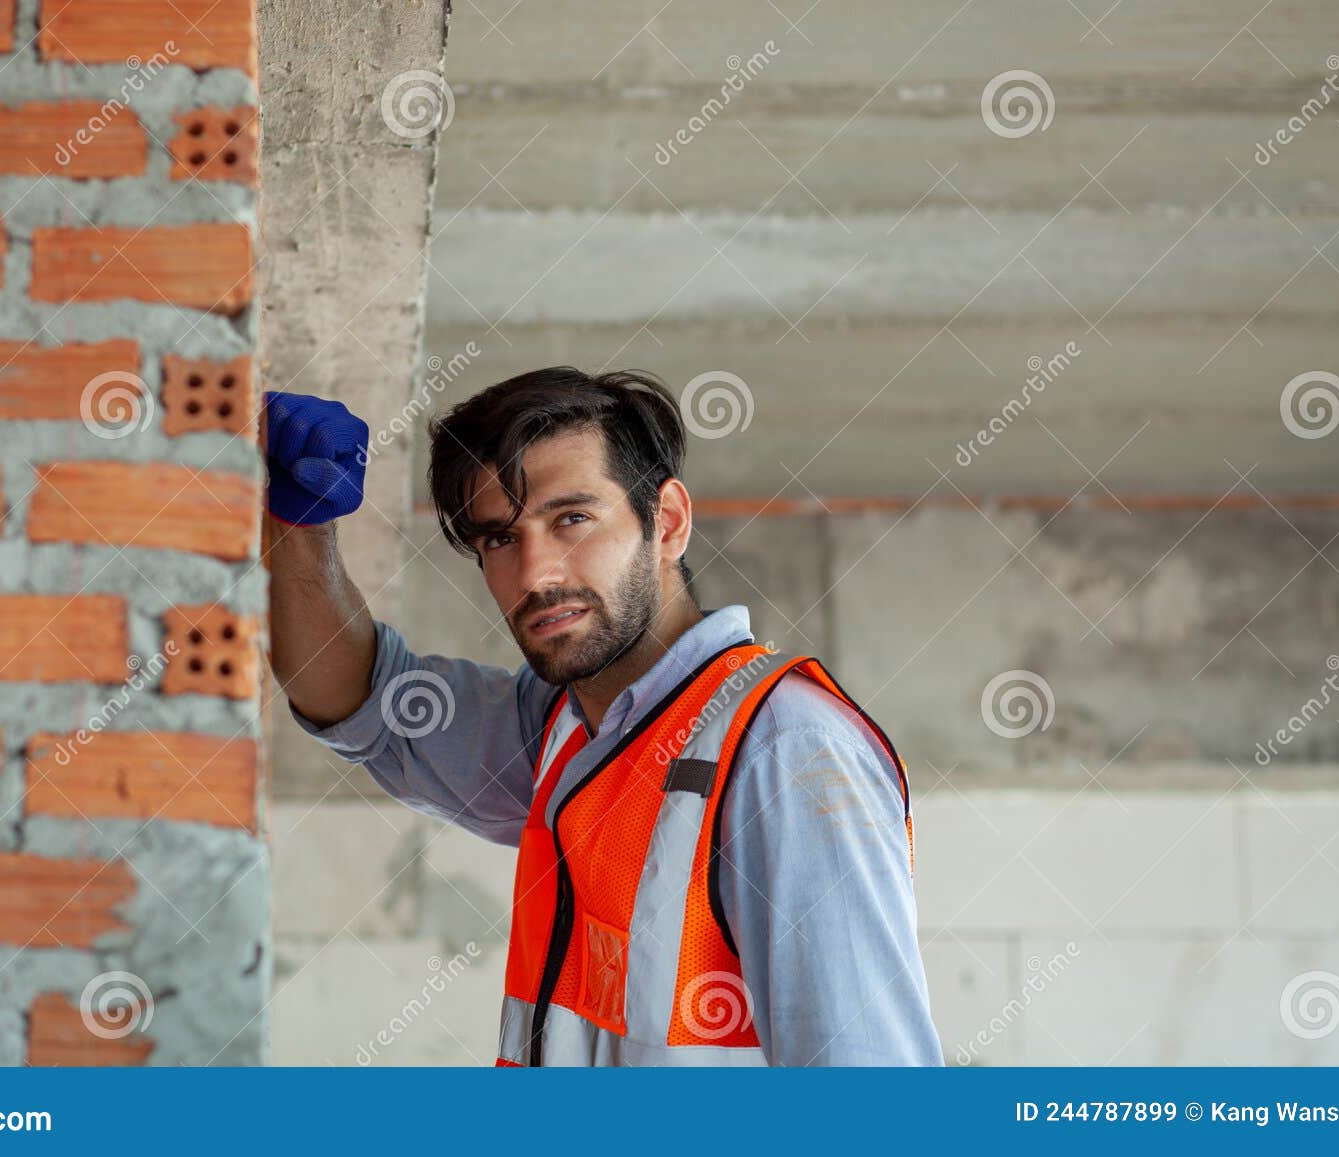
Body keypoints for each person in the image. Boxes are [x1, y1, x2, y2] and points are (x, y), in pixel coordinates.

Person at [266, 366, 944, 1067]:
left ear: (668, 523)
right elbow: (355, 696)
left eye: (572, 518)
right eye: (500, 538)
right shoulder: (563, 732)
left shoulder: (783, 748)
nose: (535, 573)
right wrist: (298, 523)